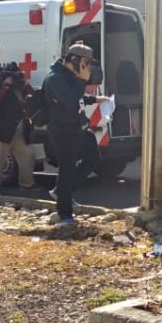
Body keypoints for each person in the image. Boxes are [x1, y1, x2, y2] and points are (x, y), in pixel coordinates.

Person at [42, 42, 110, 225]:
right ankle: (64, 214)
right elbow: (70, 99)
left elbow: (78, 97)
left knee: (93, 158)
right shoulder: (55, 77)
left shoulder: (72, 76)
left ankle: (62, 190)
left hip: (78, 127)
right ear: (73, 59)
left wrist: (95, 99)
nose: (86, 68)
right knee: (67, 168)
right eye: (84, 63)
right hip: (62, 130)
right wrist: (82, 80)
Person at [0, 63, 35, 192]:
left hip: (18, 131)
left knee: (27, 156)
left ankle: (27, 186)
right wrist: (5, 86)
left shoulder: (21, 86)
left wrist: (25, 84)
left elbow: (33, 99)